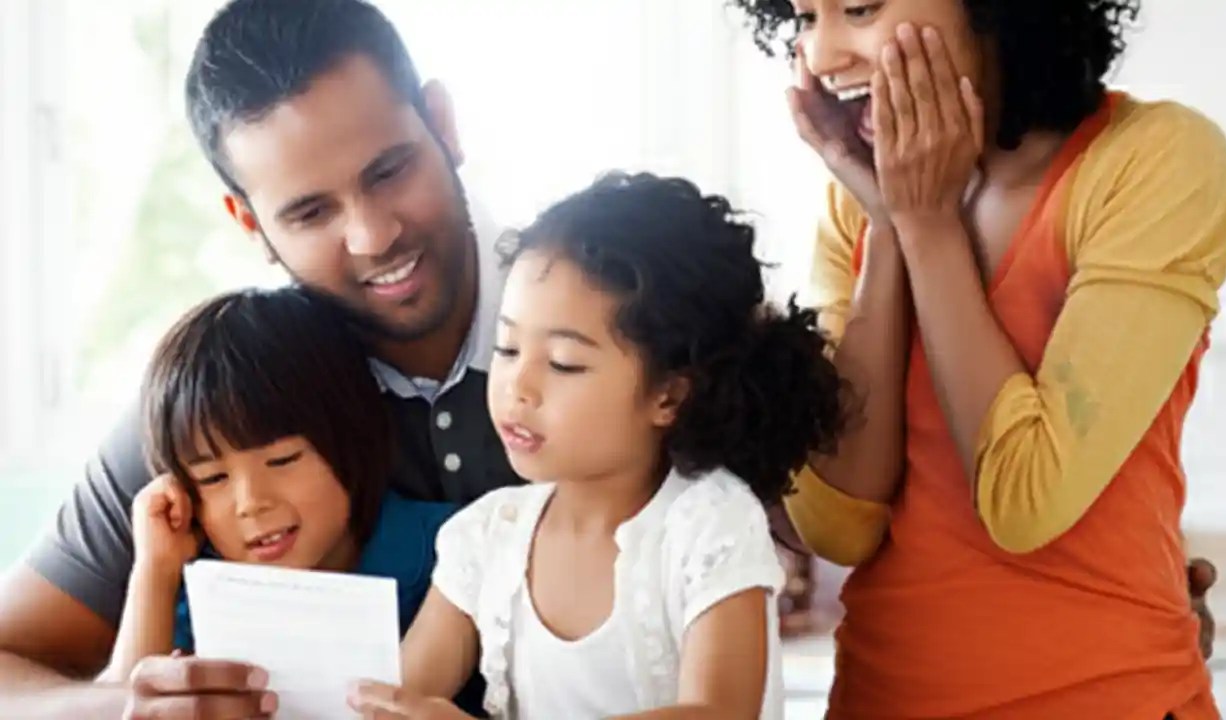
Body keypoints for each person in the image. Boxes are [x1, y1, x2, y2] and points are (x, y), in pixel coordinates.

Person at [0, 1, 518, 717]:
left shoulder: (635, 324)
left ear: (444, 124)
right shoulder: (236, 393)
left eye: (390, 170)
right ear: (250, 223)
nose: (372, 235)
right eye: (310, 213)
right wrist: (124, 707)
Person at [728, 0, 1226, 718]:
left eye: (860, 9)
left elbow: (1025, 499)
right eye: (806, 17)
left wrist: (928, 225)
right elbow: (839, 525)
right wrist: (888, 223)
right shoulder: (855, 201)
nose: (822, 55)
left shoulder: (1155, 158)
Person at [347, 172, 850, 719]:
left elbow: (719, 711)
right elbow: (391, 702)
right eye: (508, 347)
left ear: (668, 395)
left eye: (563, 363)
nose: (519, 386)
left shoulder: (709, 524)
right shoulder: (487, 536)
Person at [96, 287, 484, 716]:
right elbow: (126, 706)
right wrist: (155, 569)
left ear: (353, 437)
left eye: (283, 460)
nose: (250, 502)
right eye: (212, 478)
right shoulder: (209, 597)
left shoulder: (453, 549)